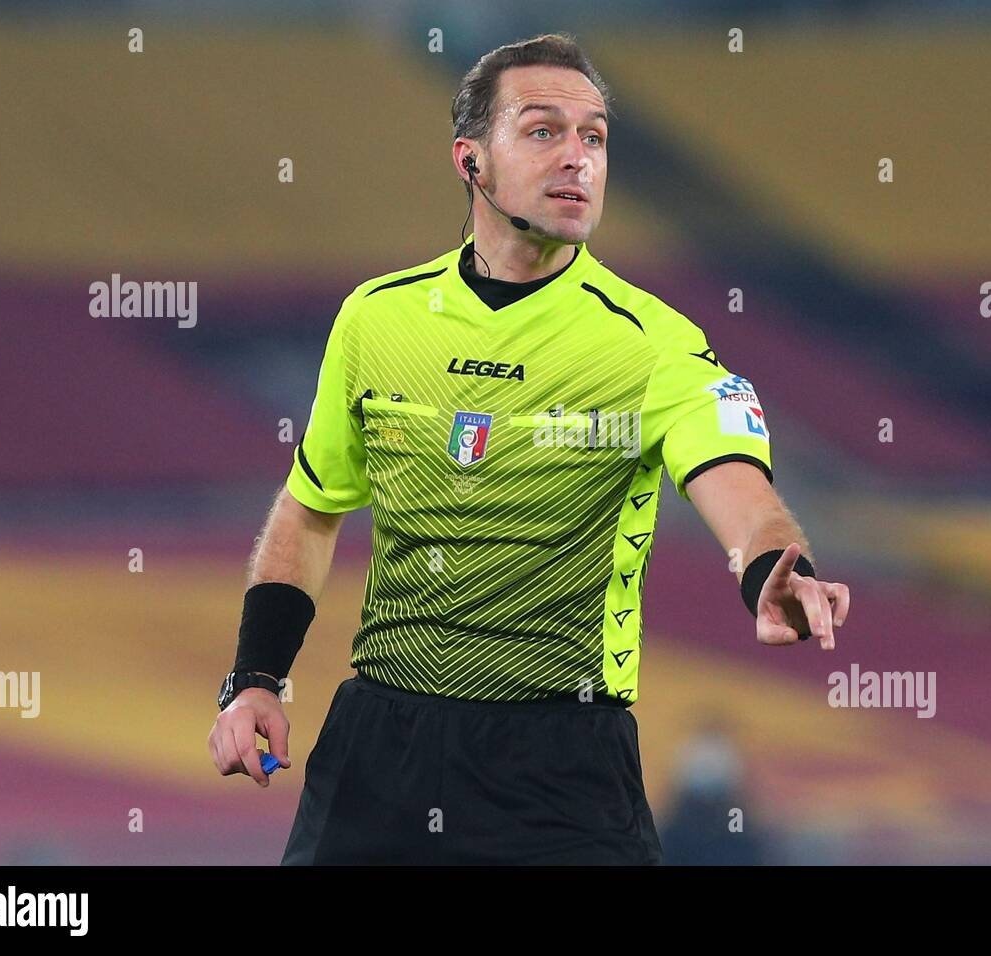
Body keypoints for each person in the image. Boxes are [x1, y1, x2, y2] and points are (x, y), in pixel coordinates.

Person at [207, 32, 850, 865]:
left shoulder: (654, 345)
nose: (578, 158)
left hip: (562, 766)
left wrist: (771, 570)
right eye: (544, 131)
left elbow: (738, 488)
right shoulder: (375, 319)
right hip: (380, 749)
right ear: (471, 161)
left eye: (595, 137)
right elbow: (312, 506)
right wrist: (256, 678)